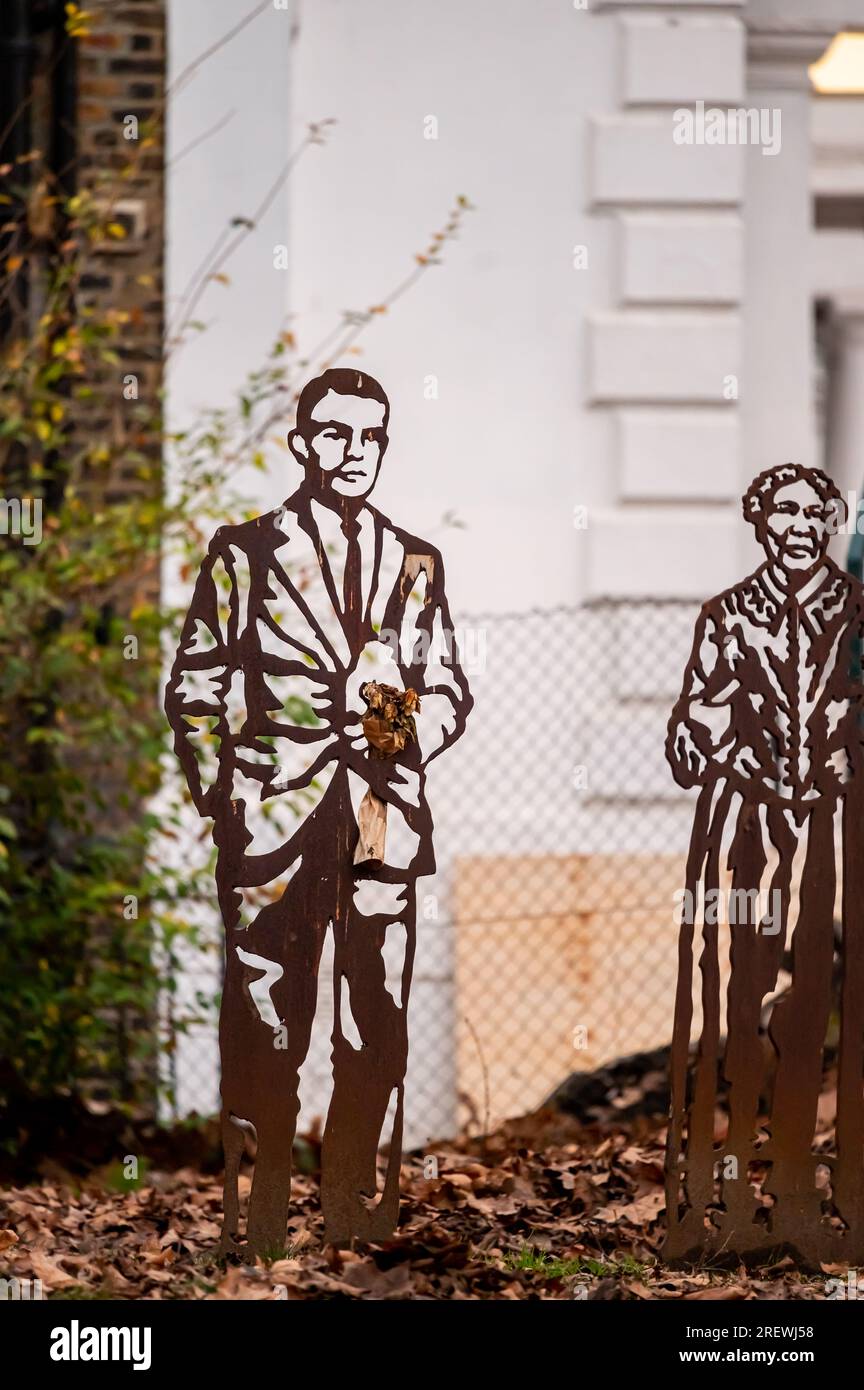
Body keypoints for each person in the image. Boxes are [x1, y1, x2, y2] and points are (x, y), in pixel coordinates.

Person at [165, 368, 472, 1252]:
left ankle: (352, 1210)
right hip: (272, 815)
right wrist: (223, 799)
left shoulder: (415, 560)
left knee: (375, 1020)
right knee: (266, 1016)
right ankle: (256, 1221)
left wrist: (387, 726)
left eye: (370, 437)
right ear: (301, 442)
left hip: (382, 813)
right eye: (335, 434)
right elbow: (196, 686)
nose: (354, 454)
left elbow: (446, 687)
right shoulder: (246, 551)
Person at [665, 462, 864, 1263]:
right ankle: (729, 1201)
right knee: (740, 998)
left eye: (817, 513)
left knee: (812, 1000)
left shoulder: (857, 612)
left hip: (826, 828)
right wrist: (708, 735)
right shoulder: (726, 615)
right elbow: (690, 730)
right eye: (785, 511)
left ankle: (803, 1197)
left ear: (830, 524)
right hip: (746, 827)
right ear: (760, 521)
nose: (801, 526)